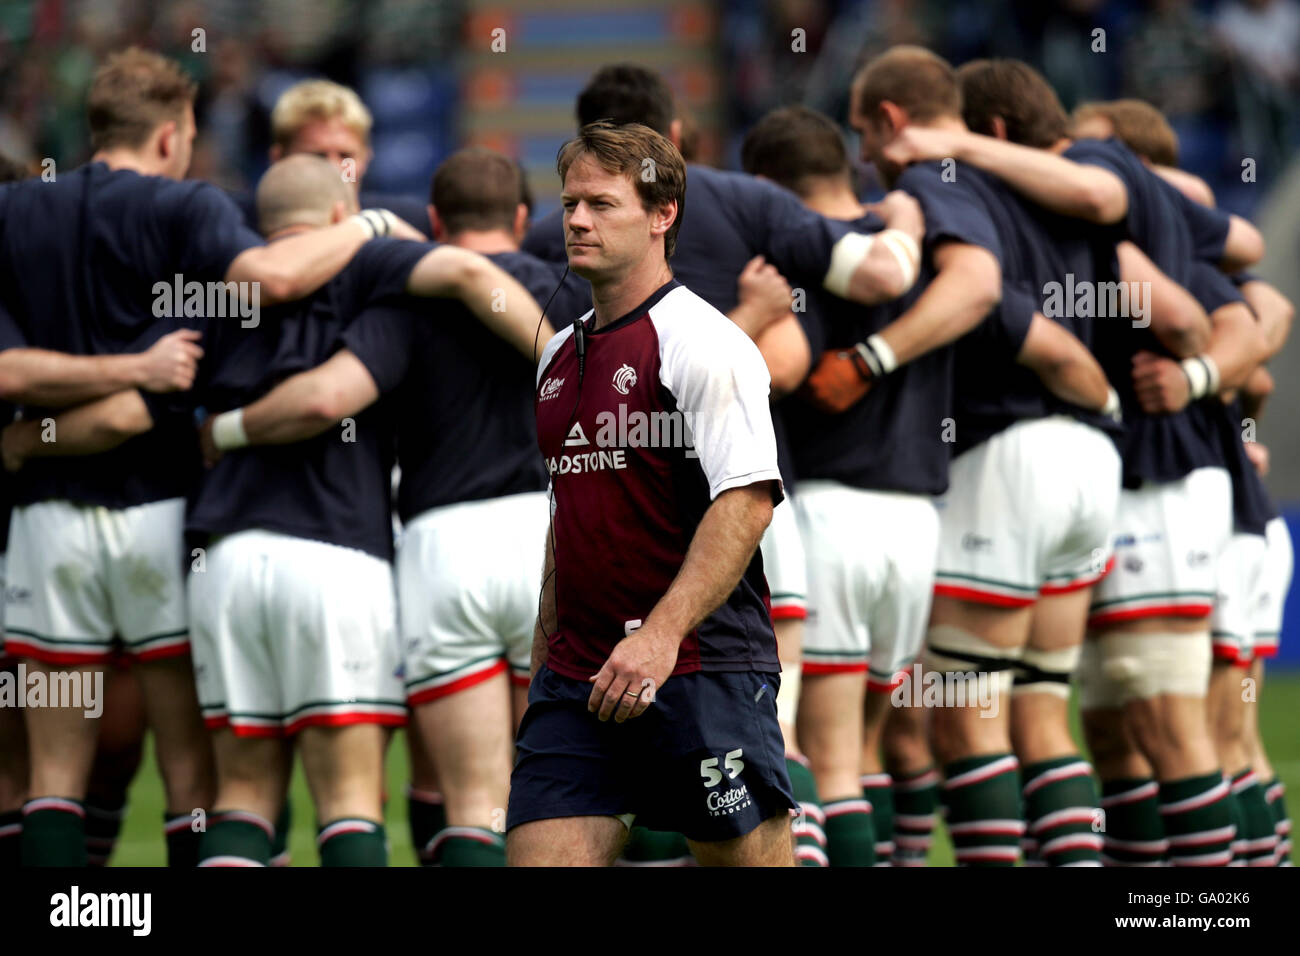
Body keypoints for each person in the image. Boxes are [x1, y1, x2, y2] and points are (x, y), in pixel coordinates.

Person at [0, 47, 413, 867]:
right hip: (163, 511)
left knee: (50, 776)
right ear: (171, 135)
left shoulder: (15, 212)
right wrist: (366, 224)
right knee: (193, 770)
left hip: (44, 520)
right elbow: (271, 280)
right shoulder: (186, 206)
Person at [507, 120, 795, 866]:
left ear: (662, 214)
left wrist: (659, 636)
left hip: (702, 669)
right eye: (569, 204)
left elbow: (747, 502)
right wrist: (547, 650)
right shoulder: (558, 356)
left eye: (601, 205)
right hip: (579, 680)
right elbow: (565, 511)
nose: (575, 220)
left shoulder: (707, 344)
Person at [398, 146, 588, 866]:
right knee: (555, 792)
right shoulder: (573, 292)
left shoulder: (410, 289)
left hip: (442, 540)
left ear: (437, 219)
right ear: (521, 218)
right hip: (552, 538)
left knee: (475, 803)